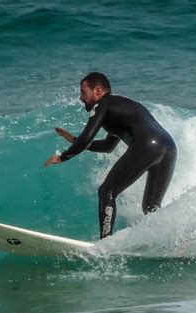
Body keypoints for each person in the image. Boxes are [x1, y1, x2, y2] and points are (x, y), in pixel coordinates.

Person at [45, 72, 177, 239]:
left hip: (148, 146)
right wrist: (73, 140)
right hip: (168, 147)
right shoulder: (120, 109)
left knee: (107, 191)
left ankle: (106, 241)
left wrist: (63, 157)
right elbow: (107, 146)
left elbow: (87, 138)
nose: (80, 98)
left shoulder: (102, 104)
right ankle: (170, 241)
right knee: (151, 208)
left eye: (83, 92)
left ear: (97, 90)